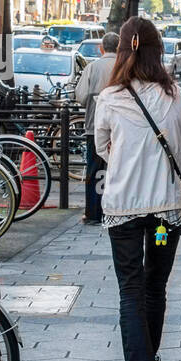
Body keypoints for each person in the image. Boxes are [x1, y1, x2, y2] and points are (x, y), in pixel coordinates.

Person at [94, 17, 181, 361]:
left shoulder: (111, 98)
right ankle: (148, 356)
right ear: (159, 50)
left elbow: (102, 148)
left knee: (130, 288)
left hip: (124, 209)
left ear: (122, 51)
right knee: (155, 284)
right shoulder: (176, 96)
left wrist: (124, 164)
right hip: (163, 212)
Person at [74, 31, 120, 224]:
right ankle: (115, 210)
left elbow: (81, 96)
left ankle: (93, 212)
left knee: (94, 169)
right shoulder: (124, 67)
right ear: (119, 48)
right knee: (118, 169)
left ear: (102, 48)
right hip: (120, 128)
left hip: (95, 125)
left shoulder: (92, 68)